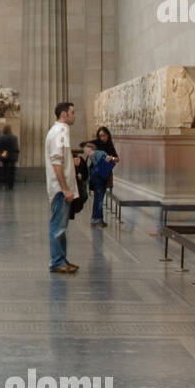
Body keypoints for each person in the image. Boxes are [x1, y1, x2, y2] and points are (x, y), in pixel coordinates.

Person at [44, 101, 79, 275]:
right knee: (57, 226)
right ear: (64, 114)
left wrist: (72, 162)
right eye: (73, 112)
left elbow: (61, 159)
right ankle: (57, 262)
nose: (75, 115)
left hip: (60, 187)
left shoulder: (60, 131)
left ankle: (62, 259)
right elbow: (56, 161)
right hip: (60, 189)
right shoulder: (60, 131)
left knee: (61, 226)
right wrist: (65, 189)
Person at [84, 138, 119, 226]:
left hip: (95, 178)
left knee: (97, 199)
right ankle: (98, 219)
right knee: (99, 199)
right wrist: (111, 158)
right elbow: (111, 160)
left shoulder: (92, 155)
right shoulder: (101, 153)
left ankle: (95, 218)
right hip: (101, 178)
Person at [0, 123, 19, 190]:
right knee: (12, 171)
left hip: (5, 155)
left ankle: (6, 184)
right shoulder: (14, 137)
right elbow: (16, 148)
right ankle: (11, 185)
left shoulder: (1, 137)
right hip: (12, 156)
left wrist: (3, 155)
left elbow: (1, 148)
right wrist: (16, 156)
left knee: (5, 170)